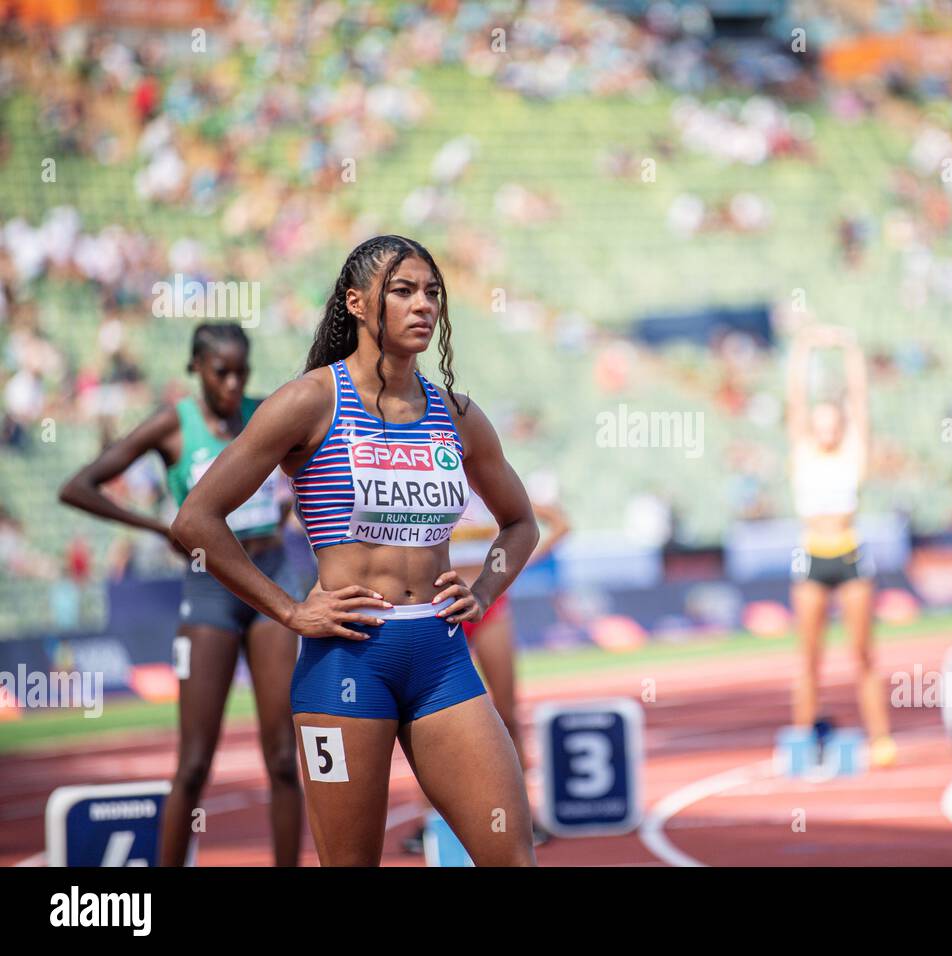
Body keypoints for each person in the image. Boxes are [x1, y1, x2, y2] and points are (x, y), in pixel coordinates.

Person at [172, 235, 539, 866]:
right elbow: (196, 519)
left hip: (440, 659)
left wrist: (483, 591)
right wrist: (288, 611)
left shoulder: (457, 413)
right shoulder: (311, 400)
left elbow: (520, 523)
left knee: (512, 858)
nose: (423, 306)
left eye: (432, 293)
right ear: (358, 304)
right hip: (346, 665)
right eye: (403, 291)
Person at [59, 322, 304, 866]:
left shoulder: (270, 413)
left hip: (273, 576)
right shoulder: (174, 425)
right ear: (195, 368)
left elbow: (314, 471)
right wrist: (158, 527)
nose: (235, 384)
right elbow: (76, 486)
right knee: (193, 763)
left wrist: (292, 502)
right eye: (222, 372)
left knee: (285, 759)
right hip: (211, 586)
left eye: (243, 371)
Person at [401, 489, 569, 851]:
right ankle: (428, 821)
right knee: (422, 716)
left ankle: (523, 814)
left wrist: (511, 567)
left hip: (486, 601)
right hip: (437, 604)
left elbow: (557, 523)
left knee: (507, 711)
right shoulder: (431, 483)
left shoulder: (488, 488)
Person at [785, 323, 895, 768]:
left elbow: (860, 396)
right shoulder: (802, 451)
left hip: (849, 554)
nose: (826, 429)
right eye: (820, 422)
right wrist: (806, 346)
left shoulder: (853, 451)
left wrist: (850, 346)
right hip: (811, 555)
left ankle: (881, 736)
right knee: (809, 658)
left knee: (864, 654)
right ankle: (803, 740)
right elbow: (795, 396)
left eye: (833, 422)